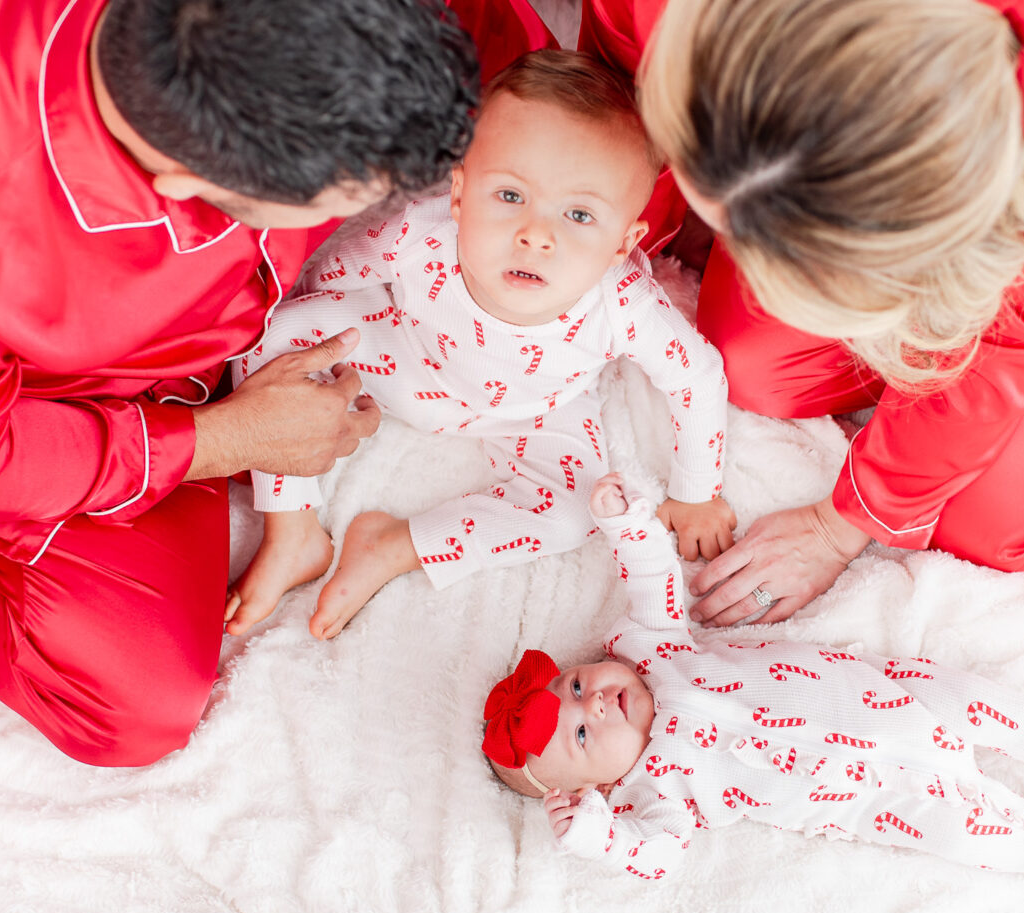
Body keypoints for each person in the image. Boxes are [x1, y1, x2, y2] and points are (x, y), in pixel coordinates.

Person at [0, 0, 556, 820]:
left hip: (117, 392)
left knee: (136, 706)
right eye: (346, 198)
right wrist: (230, 439)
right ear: (190, 188)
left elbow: (500, 66)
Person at [576, 0, 1024, 626]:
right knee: (749, 362)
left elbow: (999, 368)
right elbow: (618, 69)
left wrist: (844, 524)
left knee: (1000, 527)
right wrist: (610, 232)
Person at [223, 50, 736, 641]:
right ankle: (292, 533)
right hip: (402, 355)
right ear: (461, 195)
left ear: (624, 241)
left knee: (580, 510)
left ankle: (396, 547)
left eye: (578, 215)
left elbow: (696, 378)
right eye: (511, 197)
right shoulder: (420, 225)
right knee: (275, 330)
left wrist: (697, 494)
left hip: (533, 411)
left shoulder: (622, 301)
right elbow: (330, 271)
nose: (536, 236)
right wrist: (314, 378)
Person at [483, 473, 1024, 892]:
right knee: (955, 826)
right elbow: (654, 857)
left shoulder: (653, 653)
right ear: (599, 787)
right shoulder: (655, 793)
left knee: (971, 697)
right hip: (864, 796)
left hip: (889, 693)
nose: (592, 702)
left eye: (573, 687)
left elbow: (651, 582)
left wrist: (627, 525)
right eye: (579, 733)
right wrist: (600, 837)